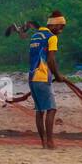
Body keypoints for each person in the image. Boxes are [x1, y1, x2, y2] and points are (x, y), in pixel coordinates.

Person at [27, 11, 67, 149]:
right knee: (51, 109)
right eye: (61, 27)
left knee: (39, 111)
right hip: (42, 77)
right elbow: (50, 59)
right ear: (54, 25)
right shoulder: (51, 37)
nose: (61, 31)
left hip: (32, 78)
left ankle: (43, 142)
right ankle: (50, 142)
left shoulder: (35, 36)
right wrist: (57, 76)